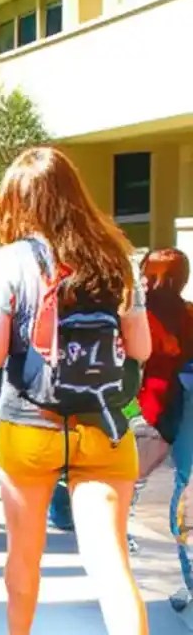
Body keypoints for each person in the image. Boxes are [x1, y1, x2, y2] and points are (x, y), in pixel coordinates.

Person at [0, 146, 151, 635]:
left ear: (17, 203)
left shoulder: (5, 264)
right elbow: (140, 347)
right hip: (103, 426)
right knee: (111, 566)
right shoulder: (117, 260)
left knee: (25, 560)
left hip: (28, 425)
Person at [129, 248, 193, 609]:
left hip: (161, 410)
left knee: (178, 487)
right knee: (185, 484)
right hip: (177, 411)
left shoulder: (144, 315)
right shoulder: (189, 314)